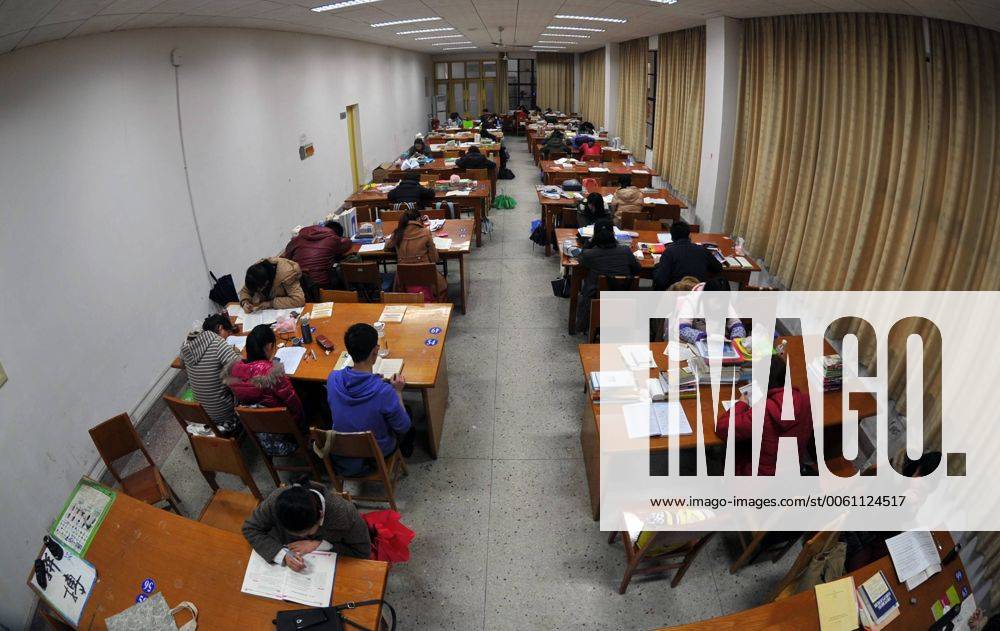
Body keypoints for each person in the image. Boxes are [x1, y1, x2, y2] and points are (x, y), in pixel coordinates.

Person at [326, 323, 414, 475]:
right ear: (375, 351)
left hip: (343, 450)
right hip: (375, 453)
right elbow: (403, 427)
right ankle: (405, 451)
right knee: (408, 414)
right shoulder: (384, 392)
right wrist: (397, 392)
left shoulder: (333, 379)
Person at [716, 354, 812, 476]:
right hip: (791, 470)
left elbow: (723, 428)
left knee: (726, 449)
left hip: (759, 477)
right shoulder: (806, 401)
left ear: (761, 382)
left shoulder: (764, 411)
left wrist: (741, 404)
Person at [242, 482, 371, 571]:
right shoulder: (276, 502)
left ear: (320, 515)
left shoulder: (346, 515)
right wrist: (282, 555)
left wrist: (319, 544)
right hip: (283, 561)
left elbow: (362, 552)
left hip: (331, 566)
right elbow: (250, 528)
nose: (300, 537)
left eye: (306, 532)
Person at [225, 325, 304, 456]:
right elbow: (294, 405)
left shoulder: (233, 371)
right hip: (284, 429)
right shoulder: (272, 373)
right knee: (311, 393)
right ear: (268, 347)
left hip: (261, 432)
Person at [179, 314, 241, 435]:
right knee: (245, 386)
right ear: (220, 328)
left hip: (201, 413)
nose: (226, 340)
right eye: (227, 335)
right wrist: (236, 354)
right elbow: (241, 370)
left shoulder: (186, 343)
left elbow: (181, 363)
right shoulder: (218, 344)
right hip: (224, 414)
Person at [576, 219, 641, 330]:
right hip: (623, 294)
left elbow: (581, 259)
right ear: (613, 234)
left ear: (595, 235)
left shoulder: (590, 254)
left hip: (597, 297)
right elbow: (637, 269)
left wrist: (590, 242)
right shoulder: (625, 251)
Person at [385, 206, 447, 296]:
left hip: (403, 281)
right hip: (426, 278)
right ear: (418, 219)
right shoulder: (425, 233)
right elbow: (435, 259)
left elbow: (387, 247)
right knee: (441, 281)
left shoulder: (398, 233)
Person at [652, 220, 723, 290]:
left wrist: (657, 264)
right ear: (689, 235)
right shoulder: (702, 250)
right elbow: (719, 268)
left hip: (676, 292)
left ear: (672, 237)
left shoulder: (669, 252)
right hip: (697, 293)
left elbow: (660, 280)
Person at [673, 277, 747, 343]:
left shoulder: (724, 302)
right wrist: (705, 338)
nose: (719, 306)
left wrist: (736, 340)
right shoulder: (692, 300)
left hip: (717, 345)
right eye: (716, 302)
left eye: (723, 302)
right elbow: (682, 329)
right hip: (695, 344)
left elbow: (737, 325)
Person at [282, 221, 352, 289]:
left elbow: (287, 258)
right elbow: (347, 243)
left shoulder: (296, 240)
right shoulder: (333, 238)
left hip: (298, 284)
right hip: (321, 284)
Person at [239, 257, 306, 312]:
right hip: (268, 313)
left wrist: (271, 303)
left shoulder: (286, 274)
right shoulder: (254, 274)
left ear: (266, 283)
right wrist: (245, 302)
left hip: (287, 313)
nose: (257, 292)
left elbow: (299, 300)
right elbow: (245, 290)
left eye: (259, 290)